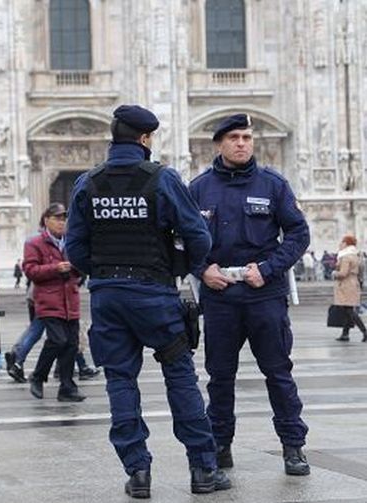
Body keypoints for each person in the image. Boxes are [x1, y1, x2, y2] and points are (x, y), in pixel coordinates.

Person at [67, 104, 230, 498]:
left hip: (108, 297)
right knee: (180, 377)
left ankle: (137, 472)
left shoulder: (88, 183)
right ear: (144, 139)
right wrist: (178, 268)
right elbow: (199, 237)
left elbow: (74, 248)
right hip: (154, 294)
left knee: (120, 381)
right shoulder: (162, 179)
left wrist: (102, 273)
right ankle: (203, 469)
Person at [189, 113, 311, 476]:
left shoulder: (273, 184)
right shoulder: (198, 188)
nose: (241, 143)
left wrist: (269, 269)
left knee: (278, 372)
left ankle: (293, 445)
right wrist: (202, 268)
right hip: (220, 295)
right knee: (220, 376)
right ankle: (220, 445)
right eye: (234, 138)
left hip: (264, 294)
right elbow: (181, 239)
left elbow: (298, 235)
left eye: (246, 137)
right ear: (219, 144)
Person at [24, 203, 85, 402]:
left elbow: (83, 266)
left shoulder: (71, 242)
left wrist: (75, 267)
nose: (62, 222)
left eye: (64, 218)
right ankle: (38, 376)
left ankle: (67, 387)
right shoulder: (35, 243)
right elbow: (30, 271)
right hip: (49, 301)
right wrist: (55, 268)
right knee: (58, 340)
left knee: (71, 345)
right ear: (46, 220)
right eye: (57, 218)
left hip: (70, 300)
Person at [333, 235, 366, 342]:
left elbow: (343, 273)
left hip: (346, 285)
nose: (340, 244)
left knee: (349, 310)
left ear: (346, 244)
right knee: (348, 310)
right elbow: (361, 271)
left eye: (342, 242)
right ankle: (345, 334)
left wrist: (334, 273)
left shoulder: (346, 256)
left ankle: (365, 331)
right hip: (354, 283)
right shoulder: (355, 255)